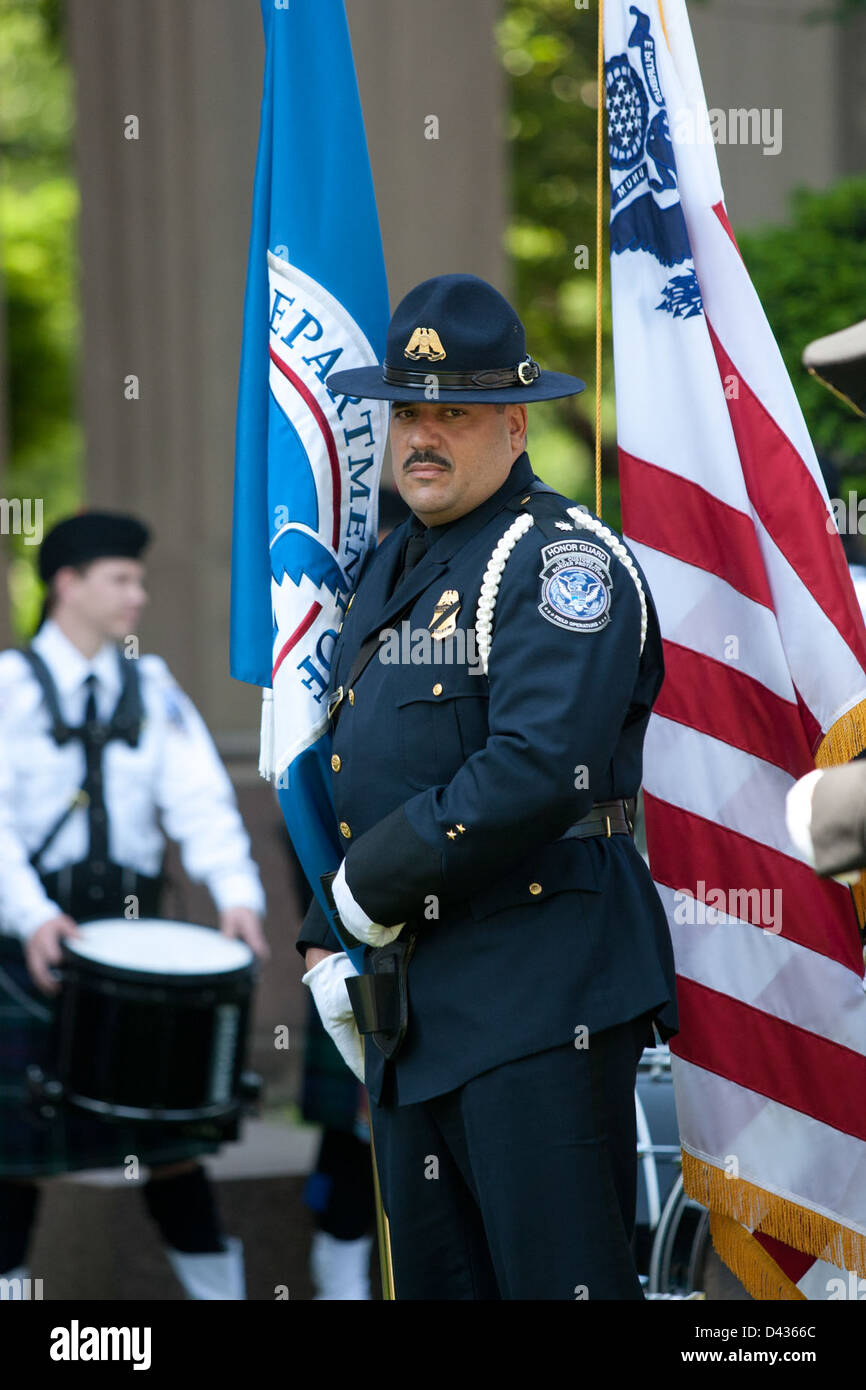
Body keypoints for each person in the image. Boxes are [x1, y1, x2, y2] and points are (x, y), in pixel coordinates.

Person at [296, 273, 678, 1300]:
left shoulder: (557, 558)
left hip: (539, 994)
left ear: (512, 426)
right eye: (407, 412)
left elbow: (539, 765)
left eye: (451, 414)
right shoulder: (390, 565)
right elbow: (356, 762)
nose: (421, 436)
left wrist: (356, 893)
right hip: (416, 1014)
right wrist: (320, 929)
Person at [0, 510, 267, 1300]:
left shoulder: (150, 687)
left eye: (141, 580)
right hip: (30, 953)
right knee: (12, 1164)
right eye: (121, 578)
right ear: (67, 584)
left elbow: (202, 805)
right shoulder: (9, 689)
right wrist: (32, 916)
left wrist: (239, 897)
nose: (138, 596)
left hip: (135, 947)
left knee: (172, 1148)